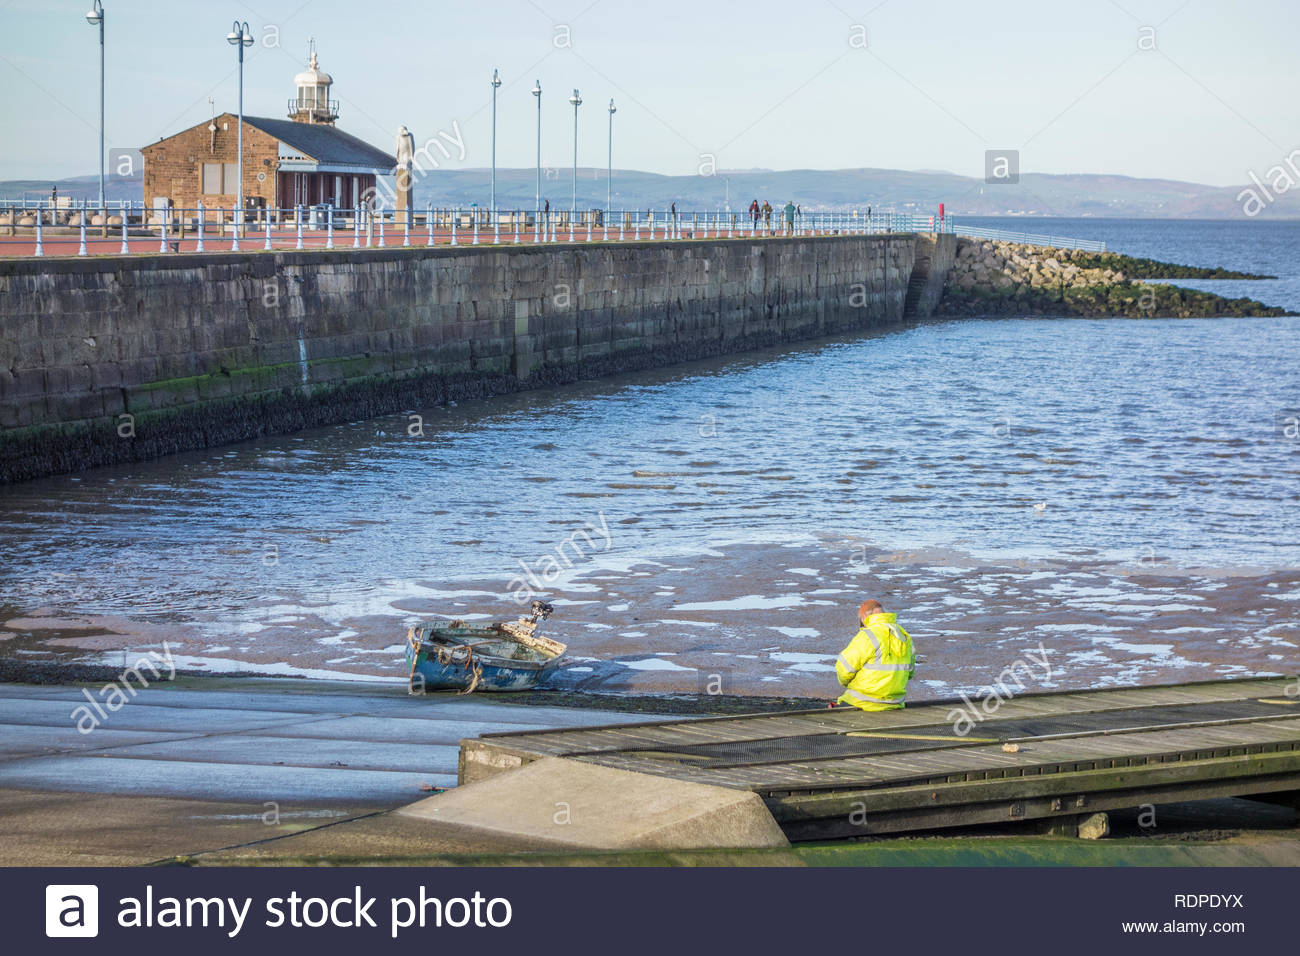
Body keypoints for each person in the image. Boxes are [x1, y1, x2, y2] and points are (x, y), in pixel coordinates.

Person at [833, 599, 916, 711]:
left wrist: (847, 683)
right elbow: (910, 673)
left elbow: (844, 669)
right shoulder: (905, 637)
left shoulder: (868, 635)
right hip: (895, 703)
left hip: (862, 702)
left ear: (863, 618)